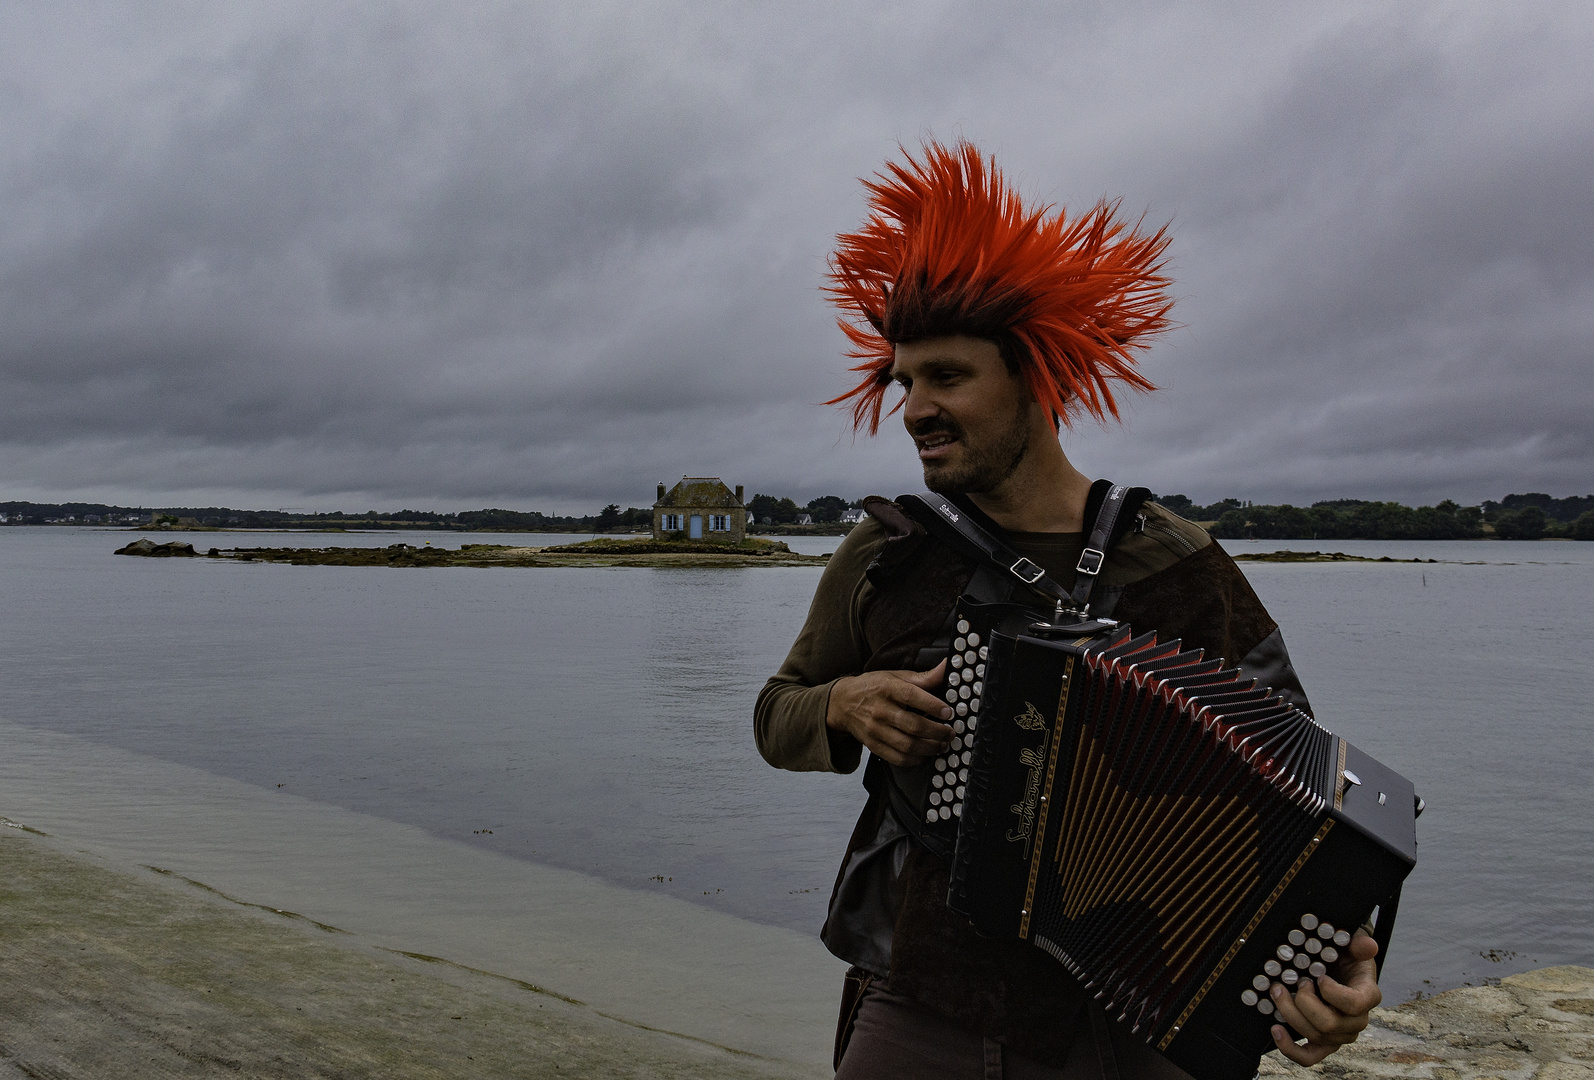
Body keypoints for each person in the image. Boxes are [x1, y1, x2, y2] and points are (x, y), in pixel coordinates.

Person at [754, 142, 1383, 1079]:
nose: (913, 408)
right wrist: (844, 706)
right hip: (925, 1000)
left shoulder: (1177, 561)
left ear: (1034, 381)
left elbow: (1306, 802)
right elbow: (777, 713)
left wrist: (1340, 960)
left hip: (1143, 1019)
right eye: (903, 381)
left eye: (947, 378)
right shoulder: (888, 553)